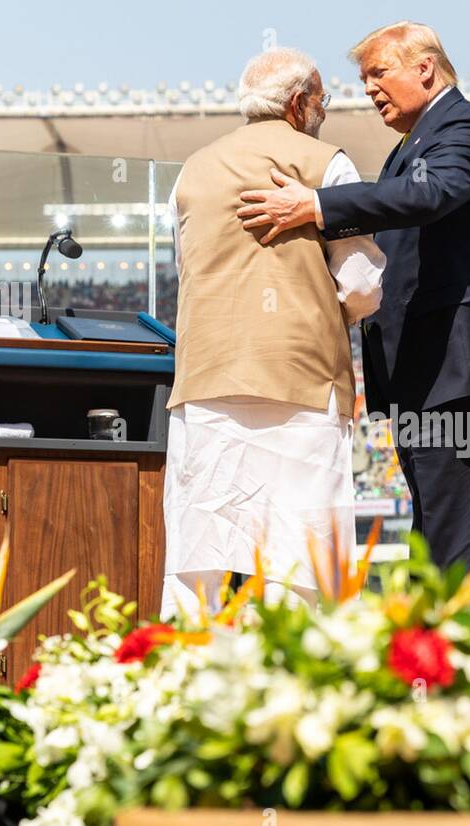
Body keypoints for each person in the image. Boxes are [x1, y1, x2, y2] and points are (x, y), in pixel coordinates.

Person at [237, 21, 470, 571]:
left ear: (424, 68)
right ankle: (440, 655)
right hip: (425, 371)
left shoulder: (463, 126)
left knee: (464, 543)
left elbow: (428, 194)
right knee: (435, 535)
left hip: (462, 365)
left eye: (379, 73)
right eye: (363, 78)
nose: (368, 89)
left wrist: (320, 205)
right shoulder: (411, 145)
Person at [161, 47, 385, 617]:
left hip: (208, 387)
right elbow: (360, 283)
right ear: (298, 103)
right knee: (305, 562)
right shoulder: (326, 163)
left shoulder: (191, 172)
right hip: (301, 388)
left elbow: (187, 270)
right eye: (322, 100)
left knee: (203, 558)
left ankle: (193, 687)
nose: (324, 112)